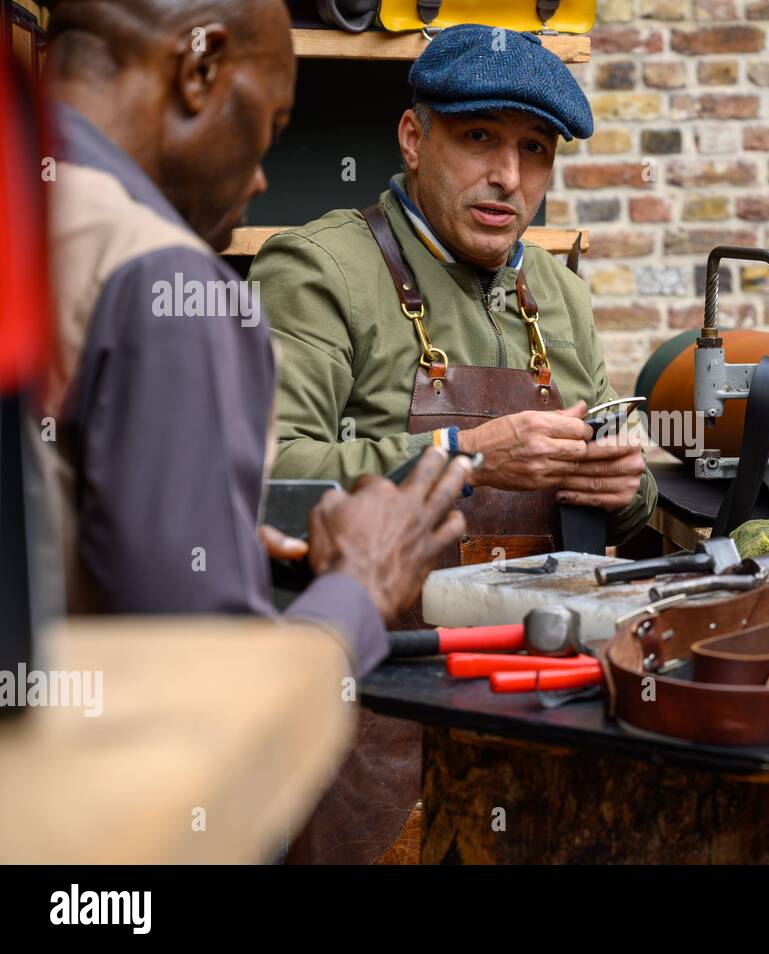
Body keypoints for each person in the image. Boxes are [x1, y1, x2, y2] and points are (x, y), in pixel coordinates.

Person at [40, 0, 467, 678]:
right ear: (199, 71)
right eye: (267, 125)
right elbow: (205, 696)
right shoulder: (164, 278)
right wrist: (359, 589)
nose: (264, 177)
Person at [250, 23, 656, 560]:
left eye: (533, 147)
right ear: (414, 140)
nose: (508, 177)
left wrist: (625, 492)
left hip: (541, 631)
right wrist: (459, 455)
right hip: (378, 636)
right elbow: (265, 476)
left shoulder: (562, 293)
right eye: (479, 137)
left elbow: (632, 506)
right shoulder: (320, 270)